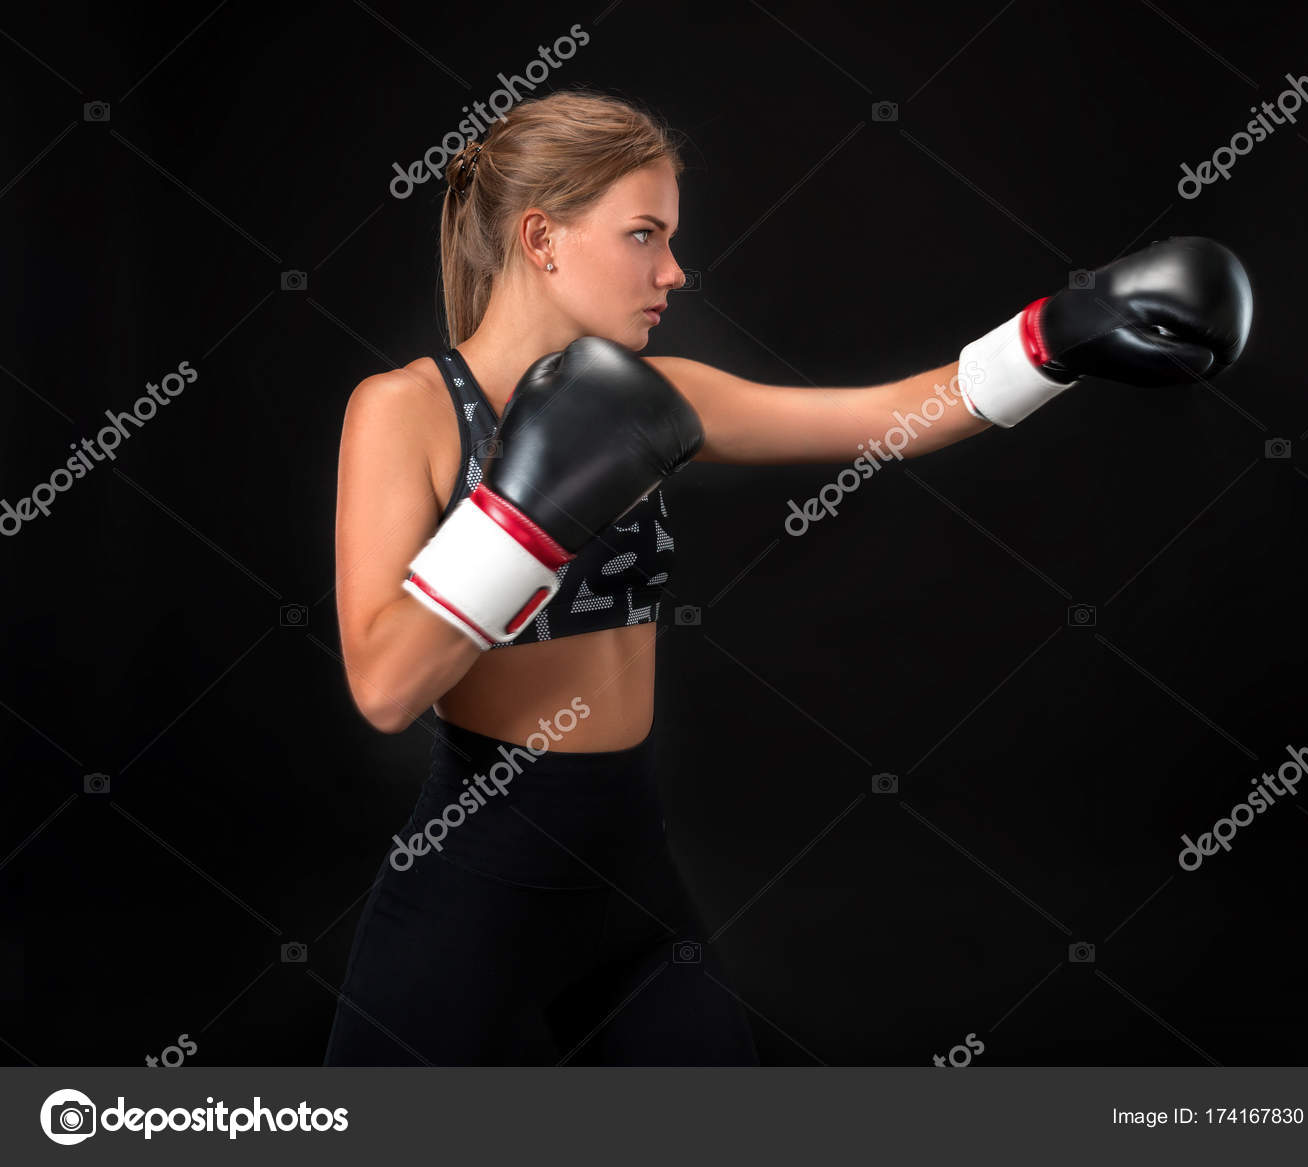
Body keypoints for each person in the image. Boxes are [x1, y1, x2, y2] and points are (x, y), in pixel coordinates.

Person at [323, 88, 1253, 1066]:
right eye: (644, 235)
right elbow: (384, 688)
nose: (674, 272)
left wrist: (1060, 334)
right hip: (477, 874)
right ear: (542, 238)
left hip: (628, 878)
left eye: (671, 239)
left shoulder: (661, 396)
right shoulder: (406, 409)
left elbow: (889, 415)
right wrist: (521, 517)